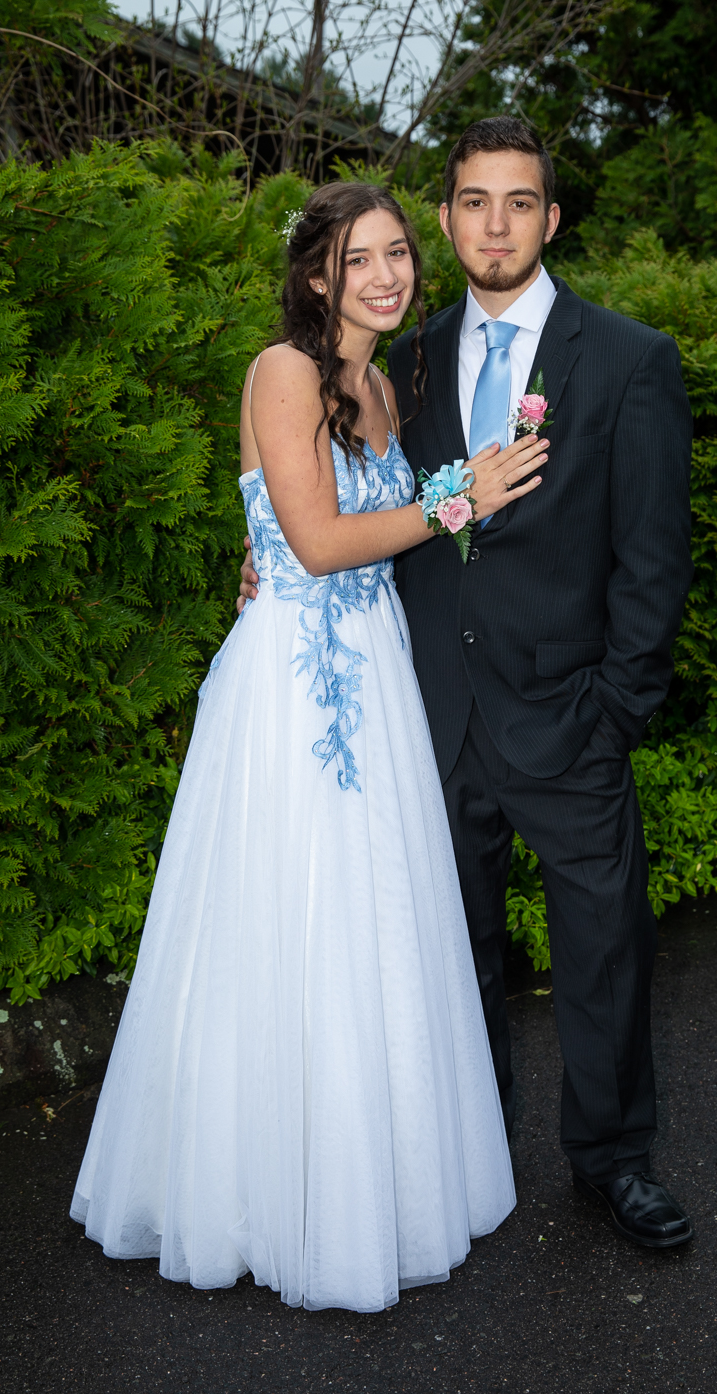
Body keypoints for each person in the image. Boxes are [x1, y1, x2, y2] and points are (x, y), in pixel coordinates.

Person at [71, 181, 549, 1311]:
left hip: (375, 670)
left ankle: (378, 1184)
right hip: (294, 685)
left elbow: (367, 540)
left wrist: (453, 493)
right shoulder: (282, 371)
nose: (386, 276)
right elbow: (320, 541)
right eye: (358, 259)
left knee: (376, 915)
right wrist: (461, 501)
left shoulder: (380, 384)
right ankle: (260, 1198)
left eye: (397, 254)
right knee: (289, 915)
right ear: (315, 276)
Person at [241, 119, 697, 1249]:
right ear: (447, 220)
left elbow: (653, 556)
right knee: (450, 953)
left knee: (604, 942)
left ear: (552, 219)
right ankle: (468, 1146)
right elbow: (331, 507)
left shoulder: (629, 359)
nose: (497, 225)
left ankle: (613, 1159)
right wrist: (265, 558)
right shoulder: (401, 357)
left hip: (570, 712)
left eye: (520, 202)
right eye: (475, 203)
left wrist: (617, 707)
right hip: (425, 709)